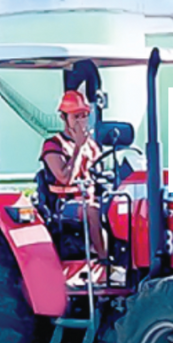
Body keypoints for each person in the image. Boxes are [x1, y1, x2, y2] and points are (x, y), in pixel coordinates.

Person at [40, 90, 115, 281]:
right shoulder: (53, 145)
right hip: (64, 205)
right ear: (64, 118)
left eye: (84, 115)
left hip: (90, 198)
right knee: (93, 211)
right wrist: (79, 148)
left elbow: (99, 173)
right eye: (76, 116)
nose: (82, 120)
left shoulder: (92, 146)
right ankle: (105, 264)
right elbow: (65, 178)